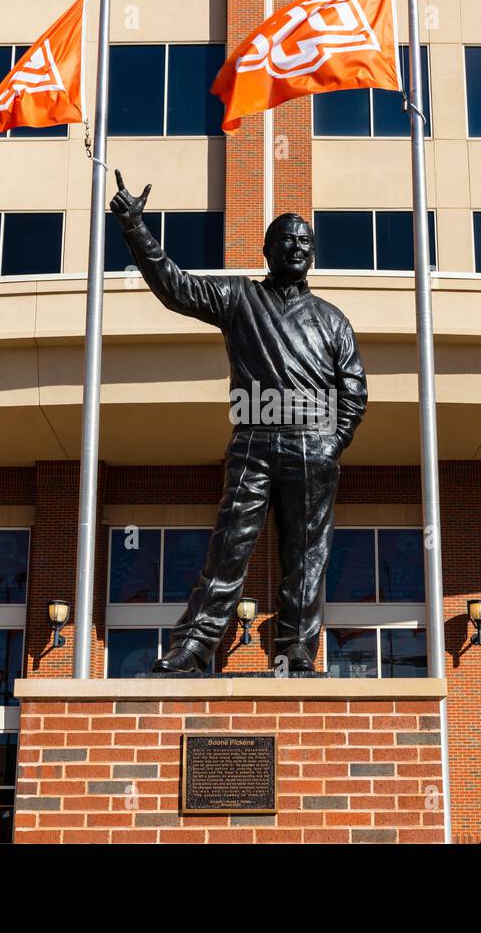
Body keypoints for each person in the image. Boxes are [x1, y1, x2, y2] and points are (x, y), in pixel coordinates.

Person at [110, 171, 367, 674]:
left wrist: (331, 444)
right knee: (228, 548)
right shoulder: (238, 298)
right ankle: (197, 646)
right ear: (267, 250)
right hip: (253, 441)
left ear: (312, 254)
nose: (296, 246)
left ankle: (296, 649)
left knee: (307, 558)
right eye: (286, 239)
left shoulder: (332, 319)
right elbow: (174, 287)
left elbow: (353, 389)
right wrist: (135, 228)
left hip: (313, 444)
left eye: (304, 241)